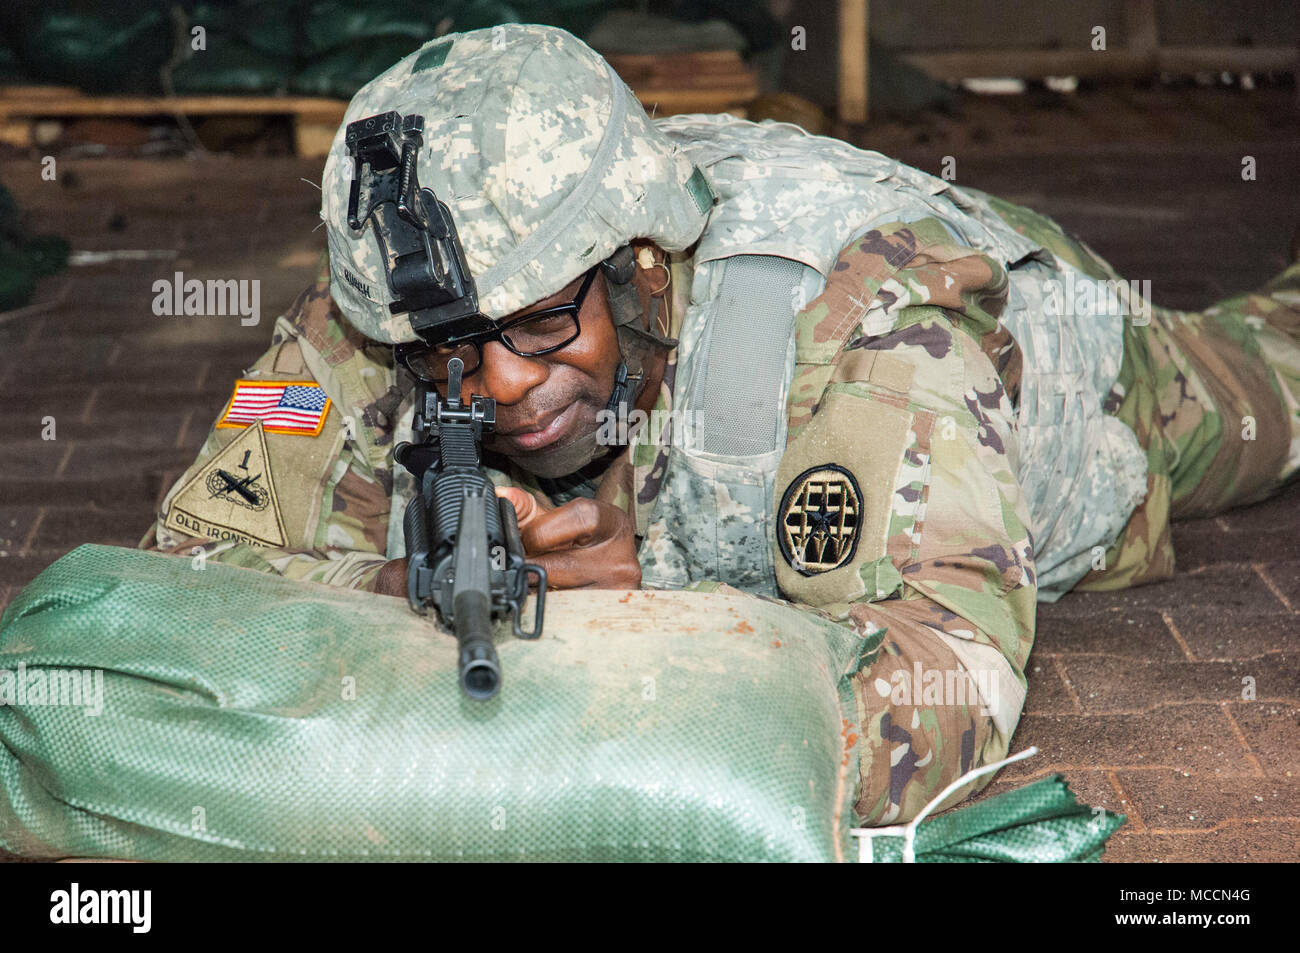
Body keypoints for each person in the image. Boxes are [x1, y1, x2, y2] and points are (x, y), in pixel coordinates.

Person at [141, 24, 1300, 825]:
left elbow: (938, 703)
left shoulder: (865, 309)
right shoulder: (405, 299)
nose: (495, 384)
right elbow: (176, 584)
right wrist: (398, 590)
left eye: (547, 322)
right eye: (451, 353)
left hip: (1073, 362)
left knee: (1277, 376)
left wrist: (654, 637)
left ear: (643, 264)